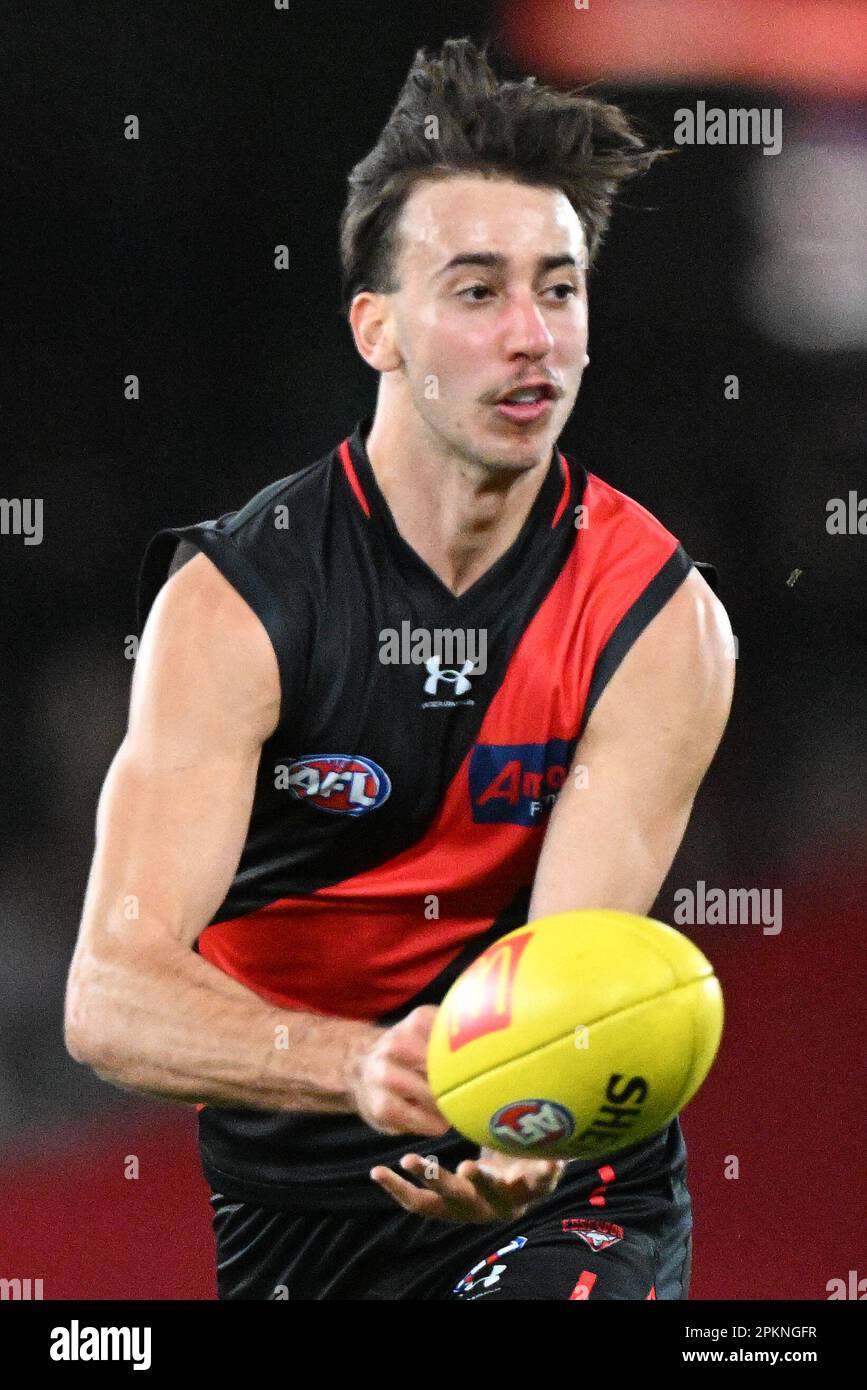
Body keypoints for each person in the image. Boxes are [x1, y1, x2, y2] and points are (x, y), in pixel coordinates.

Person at [64, 37, 734, 1300]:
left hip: (564, 1182)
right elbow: (108, 996)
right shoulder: (235, 605)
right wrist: (362, 1068)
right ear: (376, 327)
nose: (532, 336)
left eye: (561, 288)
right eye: (476, 291)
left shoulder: (659, 621)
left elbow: (565, 970)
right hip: (293, 1207)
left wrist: (521, 1124)